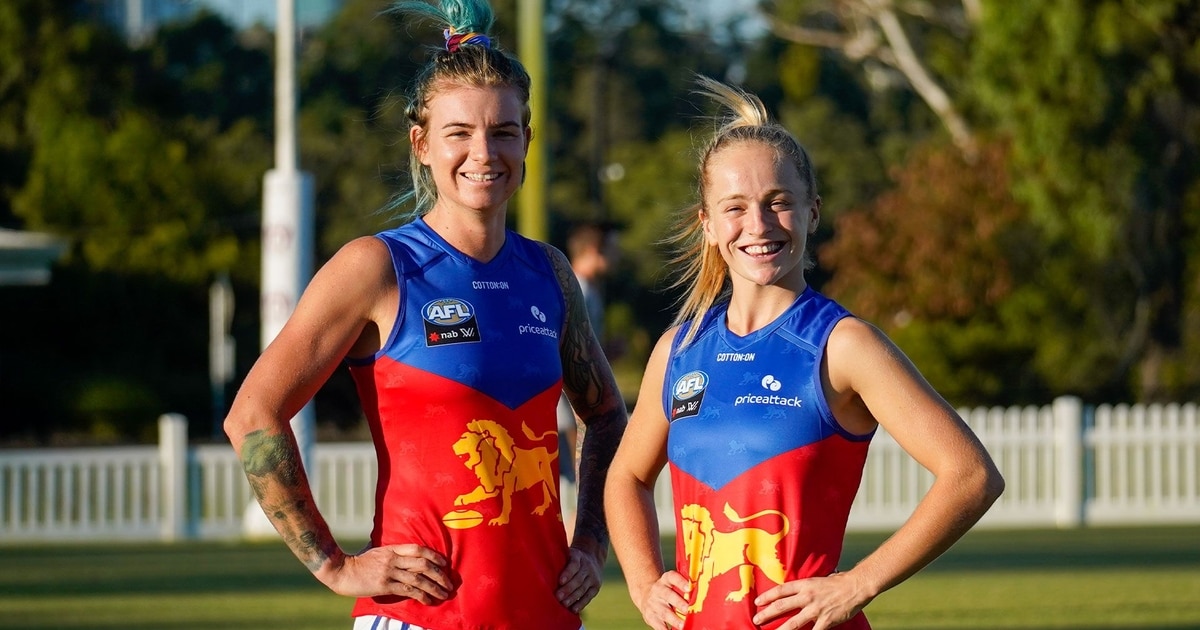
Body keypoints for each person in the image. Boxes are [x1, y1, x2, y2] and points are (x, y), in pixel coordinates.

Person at [222, 1, 628, 628]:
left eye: (503, 131)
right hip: (419, 617)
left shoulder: (549, 274)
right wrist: (333, 565)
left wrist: (593, 541)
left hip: (543, 613)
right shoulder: (376, 268)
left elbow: (604, 415)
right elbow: (253, 416)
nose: (483, 153)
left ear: (527, 140)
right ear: (422, 144)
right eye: (459, 133)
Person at [603, 76, 1004, 630]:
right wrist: (646, 586)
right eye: (735, 207)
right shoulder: (679, 349)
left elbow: (972, 475)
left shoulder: (844, 345)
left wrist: (857, 584)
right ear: (710, 225)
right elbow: (626, 477)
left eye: (779, 203)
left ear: (812, 212)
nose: (759, 225)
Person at [556, 220, 620, 535]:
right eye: (612, 250)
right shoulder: (575, 288)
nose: (617, 257)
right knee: (577, 468)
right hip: (566, 400)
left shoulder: (589, 290)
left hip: (572, 398)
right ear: (595, 252)